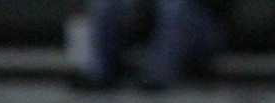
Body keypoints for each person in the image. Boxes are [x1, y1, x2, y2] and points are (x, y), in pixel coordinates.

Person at [74, 0, 231, 91]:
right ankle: (99, 74)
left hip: (206, 27)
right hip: (152, 25)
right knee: (106, 4)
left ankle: (155, 79)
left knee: (173, 6)